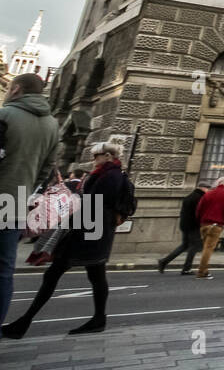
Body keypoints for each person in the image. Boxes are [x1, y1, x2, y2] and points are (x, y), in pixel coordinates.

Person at [2, 141, 130, 338]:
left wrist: (73, 206)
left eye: (97, 156)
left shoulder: (111, 176)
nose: (93, 159)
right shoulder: (105, 173)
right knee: (95, 277)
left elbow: (96, 204)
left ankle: (24, 322)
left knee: (55, 275)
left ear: (108, 156)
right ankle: (98, 319)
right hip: (91, 232)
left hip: (90, 234)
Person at [0, 73, 59, 325]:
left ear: (15, 89)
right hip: (15, 205)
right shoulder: (52, 125)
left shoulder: (5, 115)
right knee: (3, 272)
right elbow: (46, 170)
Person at [157, 181, 209, 275]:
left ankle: (164, 261)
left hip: (184, 225)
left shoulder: (189, 196)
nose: (208, 191)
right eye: (207, 188)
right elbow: (199, 214)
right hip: (193, 226)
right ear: (203, 188)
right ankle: (186, 268)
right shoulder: (200, 198)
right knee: (195, 246)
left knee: (185, 245)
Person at [194, 176, 224, 279]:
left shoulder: (208, 194)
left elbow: (199, 209)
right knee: (208, 249)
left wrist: (201, 221)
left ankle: (205, 271)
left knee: (205, 248)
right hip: (216, 225)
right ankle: (201, 272)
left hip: (204, 224)